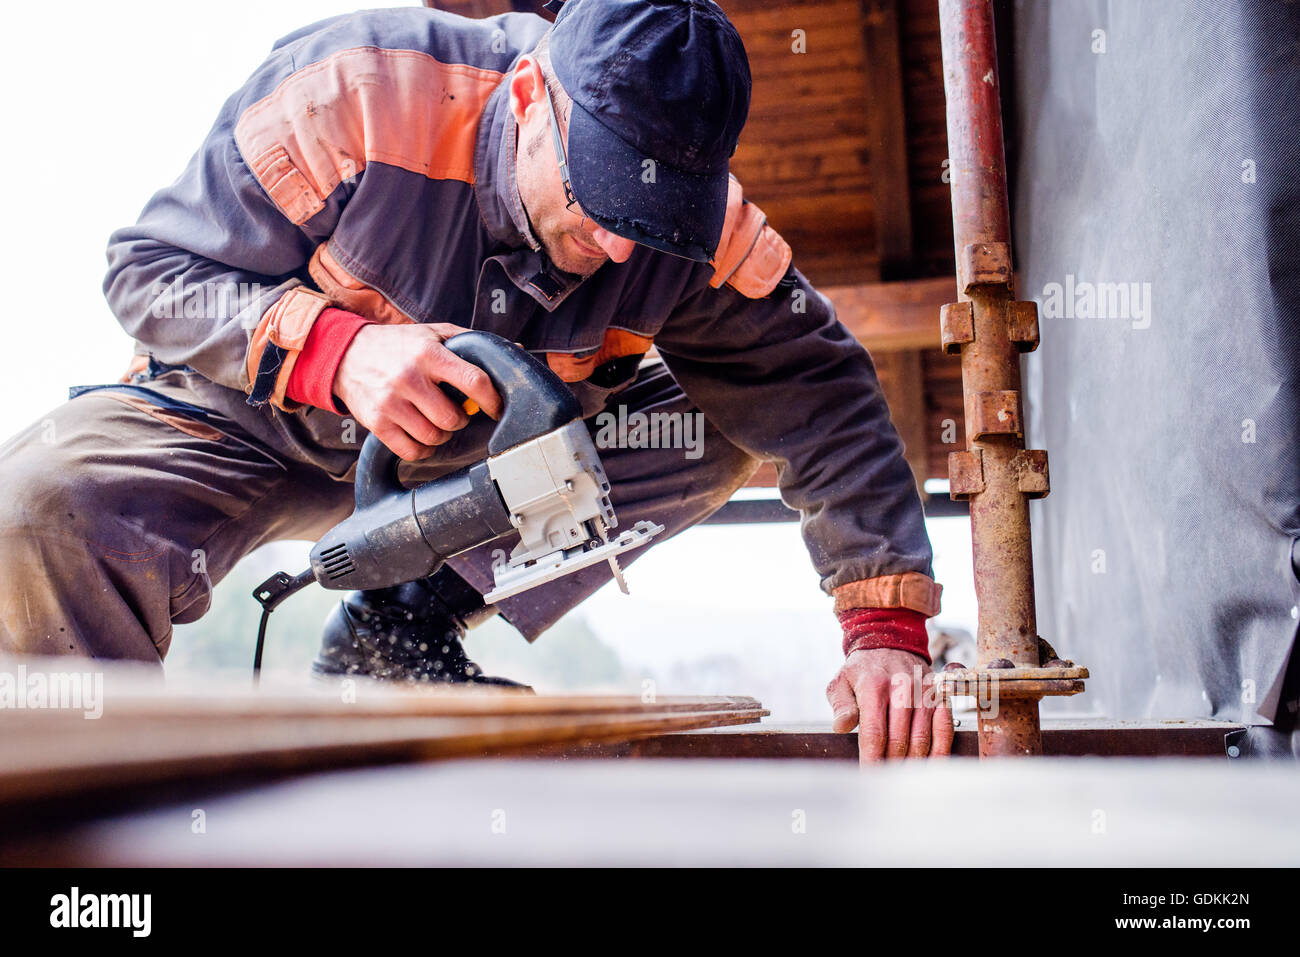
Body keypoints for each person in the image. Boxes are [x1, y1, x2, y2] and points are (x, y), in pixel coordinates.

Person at [0, 0, 952, 759]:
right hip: (233, 422)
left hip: (452, 482)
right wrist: (339, 350)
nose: (620, 242)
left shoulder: (694, 232)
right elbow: (150, 273)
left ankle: (398, 631)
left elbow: (817, 385)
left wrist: (885, 631)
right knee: (36, 504)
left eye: (653, 217)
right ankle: (85, 804)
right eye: (600, 195)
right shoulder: (361, 89)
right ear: (533, 95)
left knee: (725, 422)